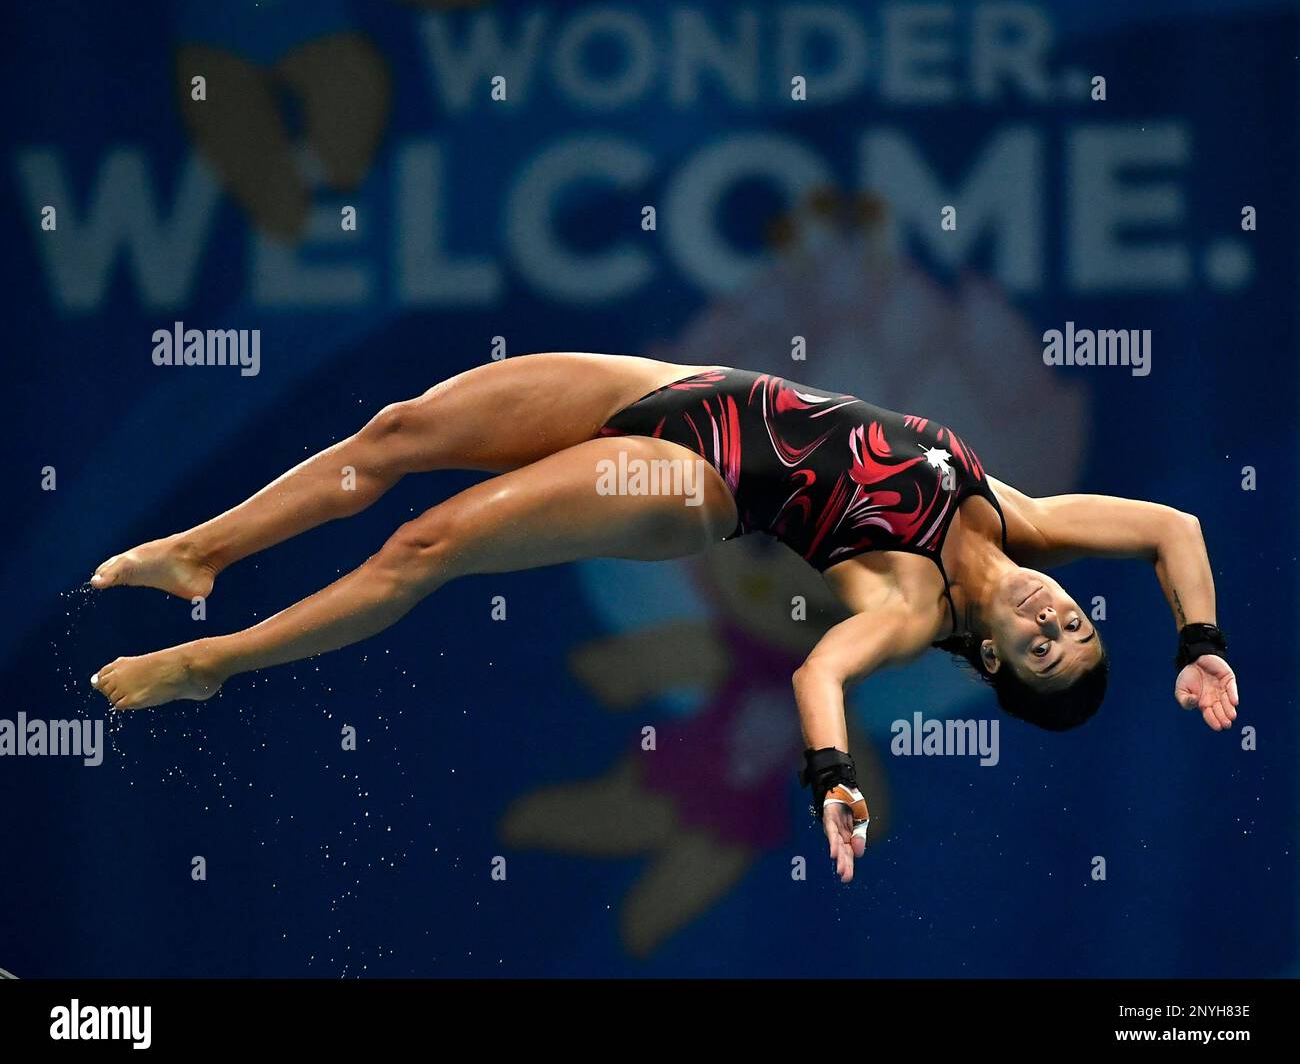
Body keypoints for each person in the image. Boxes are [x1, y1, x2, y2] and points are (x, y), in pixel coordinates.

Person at [90, 354, 1239, 881]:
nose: (1054, 618)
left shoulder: (911, 601)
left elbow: (820, 679)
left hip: (689, 484)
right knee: (397, 432)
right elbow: (1174, 529)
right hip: (676, 384)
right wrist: (1198, 646)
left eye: (1041, 650)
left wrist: (831, 781)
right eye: (1079, 625)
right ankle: (203, 554)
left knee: (425, 546)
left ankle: (209, 662)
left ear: (989, 659)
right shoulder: (1025, 516)